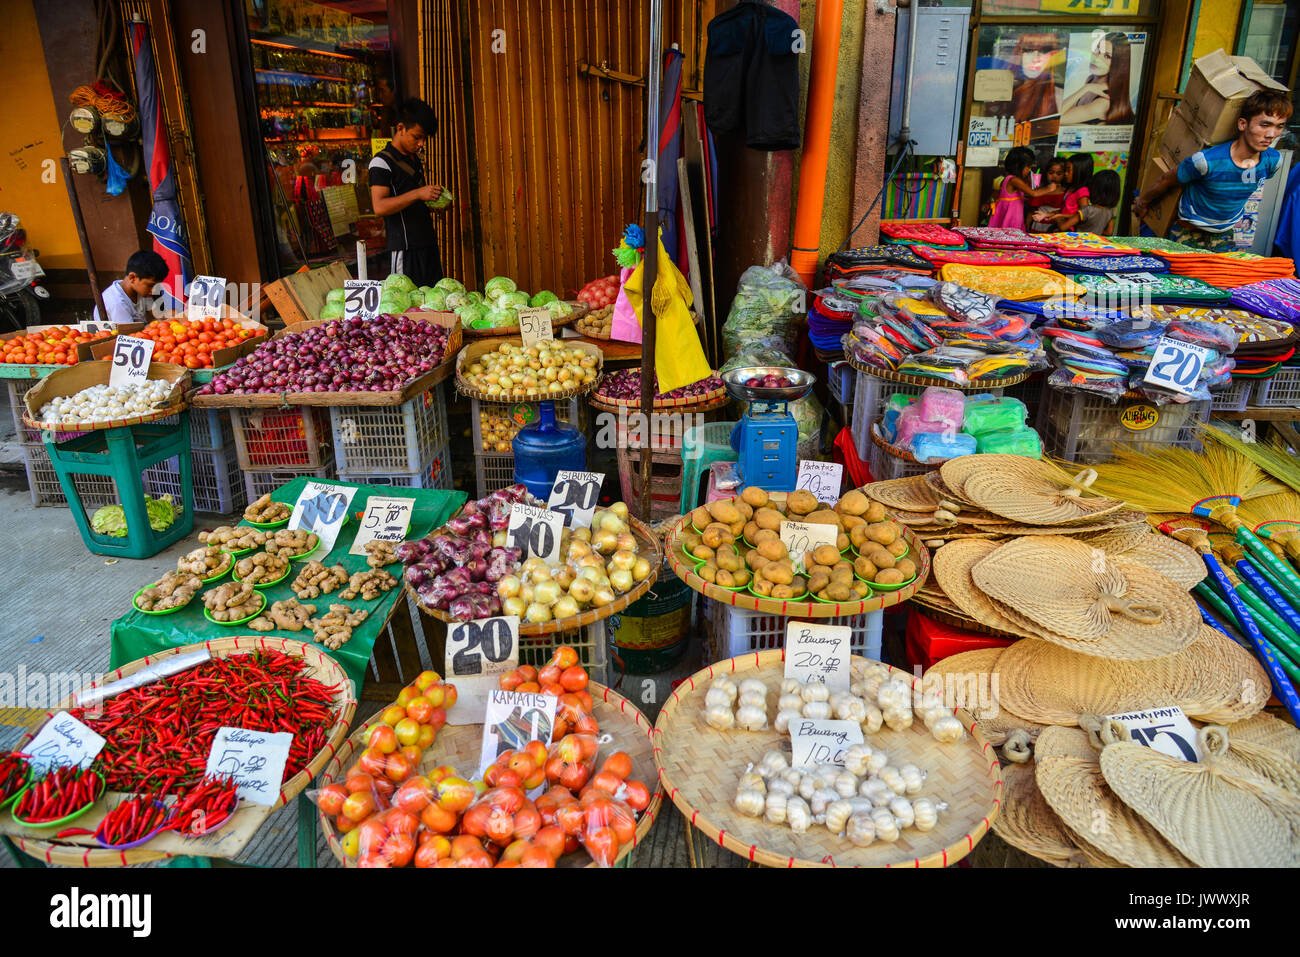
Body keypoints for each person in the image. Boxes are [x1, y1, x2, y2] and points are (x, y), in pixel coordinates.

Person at [1133, 90, 1293, 252]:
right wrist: (1142, 202)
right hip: (1187, 233)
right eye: (1264, 125)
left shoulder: (1273, 161)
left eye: (1279, 126)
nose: (1272, 135)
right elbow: (1166, 180)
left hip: (1225, 235)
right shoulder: (1206, 161)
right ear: (1243, 124)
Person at [368, 97, 445, 287]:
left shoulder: (414, 160)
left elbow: (412, 199)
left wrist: (434, 202)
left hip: (427, 245)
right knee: (409, 308)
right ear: (401, 128)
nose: (421, 143)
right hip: (404, 249)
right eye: (417, 137)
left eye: (424, 138)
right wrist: (419, 194)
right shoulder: (380, 162)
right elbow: (379, 206)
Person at [1060, 31, 1135, 126]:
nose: (1097, 58)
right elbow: (1065, 109)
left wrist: (1086, 88)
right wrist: (1087, 87)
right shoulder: (1091, 79)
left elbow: (1058, 119)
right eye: (1097, 50)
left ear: (1118, 64)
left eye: (1107, 56)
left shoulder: (1103, 102)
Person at [988, 147, 1062, 229]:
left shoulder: (1010, 179)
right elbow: (1033, 193)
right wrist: (1049, 188)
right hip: (1011, 219)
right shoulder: (1014, 180)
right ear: (1018, 165)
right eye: (1028, 166)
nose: (1029, 170)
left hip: (1013, 217)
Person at [92, 249, 169, 325]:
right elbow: (129, 334)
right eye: (150, 285)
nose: (153, 290)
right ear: (132, 277)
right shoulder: (116, 302)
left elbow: (157, 315)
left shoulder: (140, 291)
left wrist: (168, 316)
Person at [1033, 153, 1093, 232]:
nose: (1065, 174)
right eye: (1065, 170)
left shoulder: (1082, 192)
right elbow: (1063, 210)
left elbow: (1083, 215)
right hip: (1060, 227)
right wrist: (1046, 215)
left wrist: (1061, 216)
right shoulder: (1070, 189)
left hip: (1070, 232)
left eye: (1068, 170)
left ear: (1079, 172)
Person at [1071, 169, 1121, 235]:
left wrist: (1059, 219)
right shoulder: (1110, 212)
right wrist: (1095, 232)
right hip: (1095, 243)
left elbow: (1063, 227)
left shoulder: (1087, 210)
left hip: (1079, 243)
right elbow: (1109, 232)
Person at [1027, 156, 1069, 231]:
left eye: (1059, 174)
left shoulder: (1066, 192)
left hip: (1057, 228)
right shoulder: (1039, 191)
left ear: (1065, 175)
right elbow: (1031, 212)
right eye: (1051, 173)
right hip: (1038, 226)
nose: (1054, 176)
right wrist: (1026, 228)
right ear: (1046, 173)